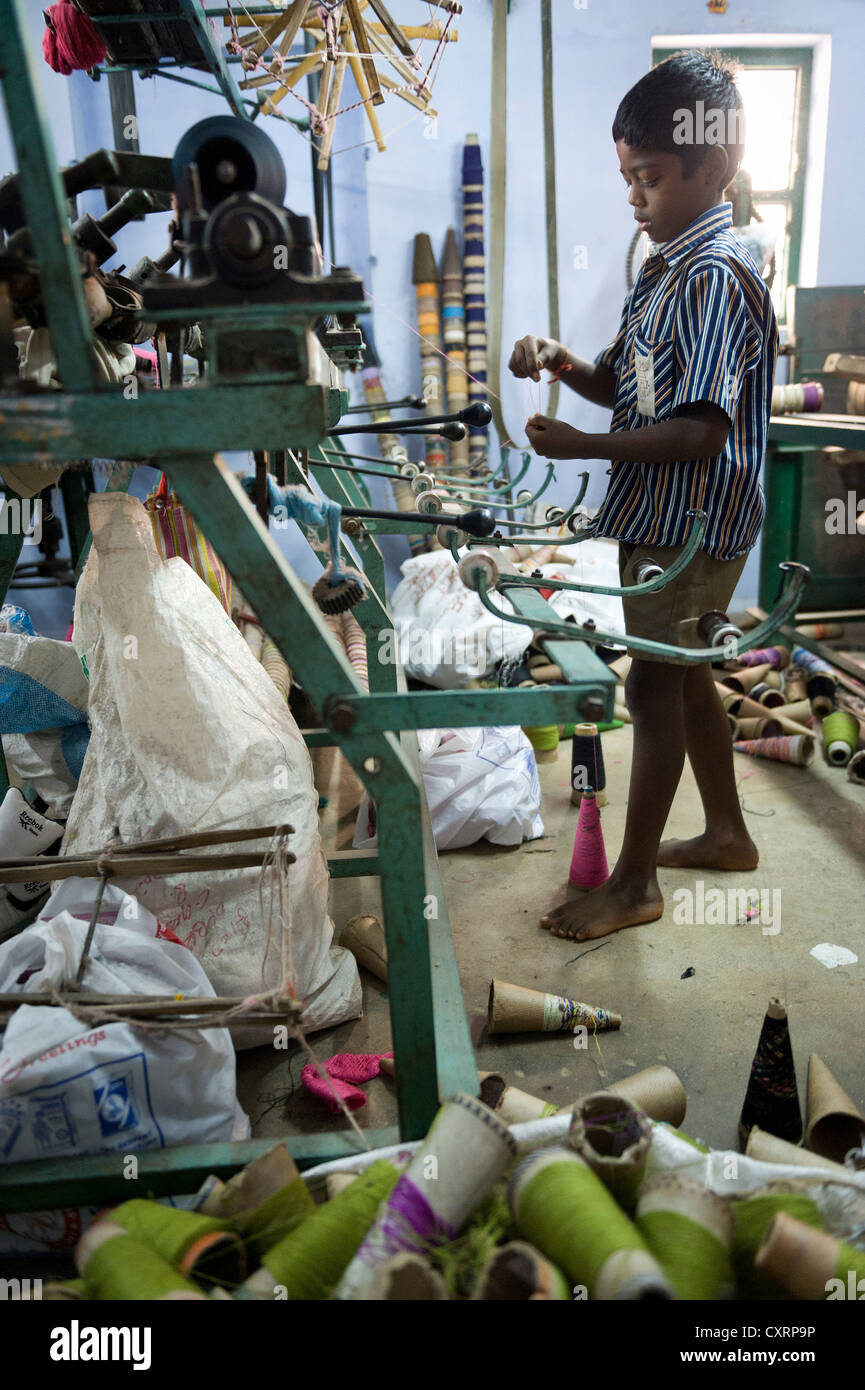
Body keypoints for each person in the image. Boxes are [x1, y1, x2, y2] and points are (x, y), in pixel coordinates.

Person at [509, 50, 777, 942]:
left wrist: (584, 449)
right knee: (687, 673)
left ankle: (632, 885)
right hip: (660, 518)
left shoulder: (714, 273)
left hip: (696, 525)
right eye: (628, 179)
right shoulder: (661, 268)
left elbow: (700, 433)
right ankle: (730, 834)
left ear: (717, 169)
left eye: (651, 178)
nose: (634, 198)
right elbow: (627, 390)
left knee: (654, 688)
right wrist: (562, 362)